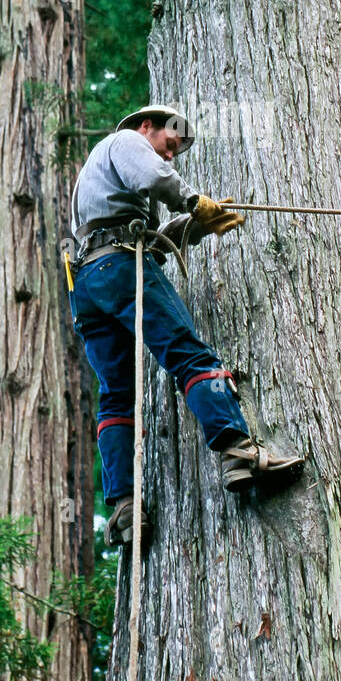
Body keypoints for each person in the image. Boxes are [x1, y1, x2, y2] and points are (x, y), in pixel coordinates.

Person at [68, 103, 304, 546]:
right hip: (120, 268)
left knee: (117, 396)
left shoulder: (100, 180)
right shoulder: (126, 143)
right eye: (169, 144)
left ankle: (122, 506)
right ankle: (238, 451)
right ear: (146, 127)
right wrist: (196, 201)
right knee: (190, 355)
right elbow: (154, 179)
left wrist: (197, 225)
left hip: (88, 284)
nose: (170, 156)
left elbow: (147, 234)